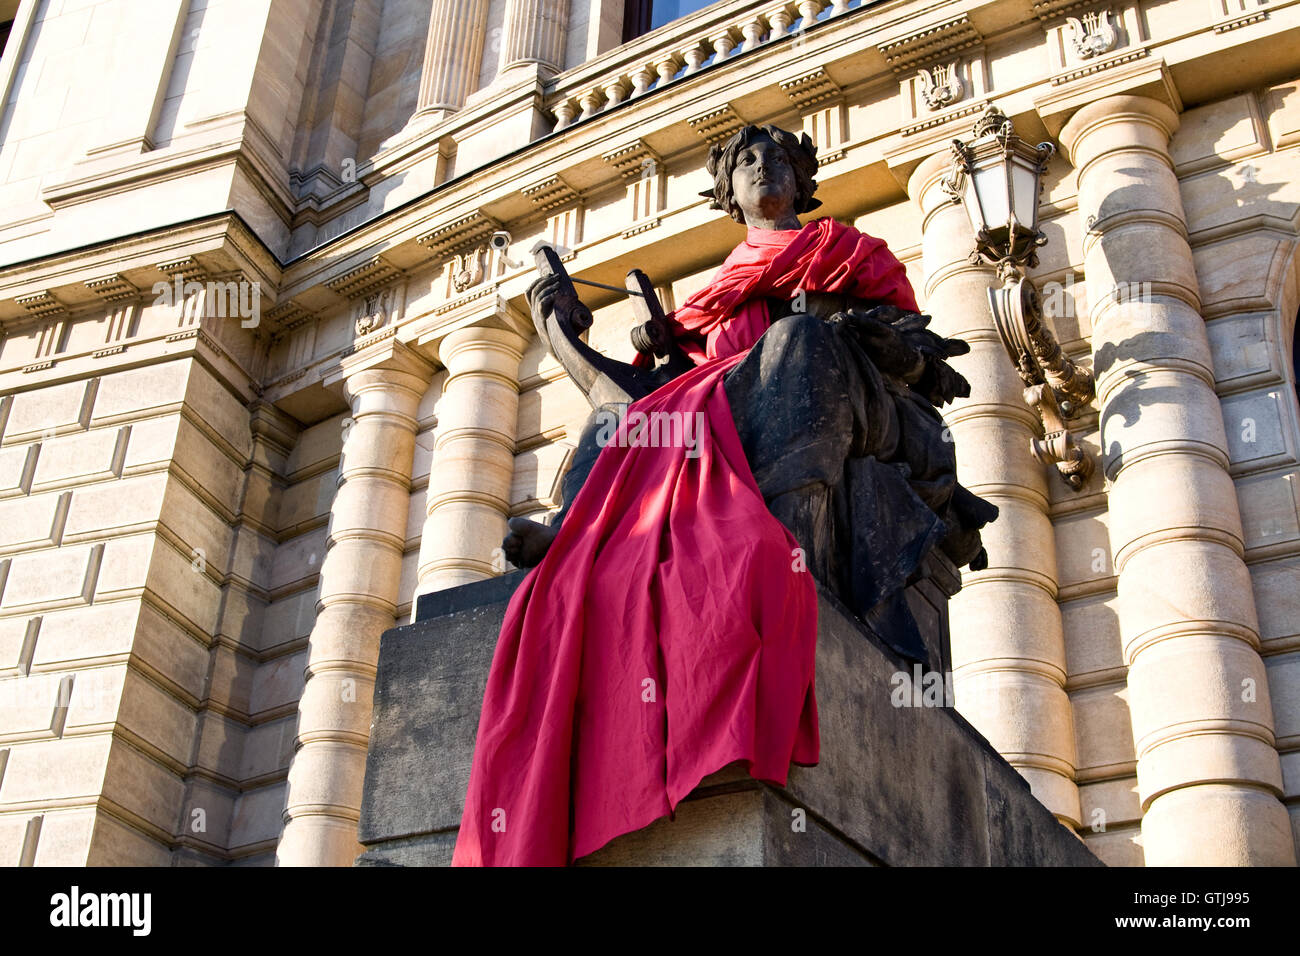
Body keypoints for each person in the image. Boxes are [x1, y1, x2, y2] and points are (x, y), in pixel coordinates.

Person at [452, 124, 995, 867]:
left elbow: (923, 361)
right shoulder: (708, 300)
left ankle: (786, 544)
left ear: (803, 183)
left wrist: (849, 327)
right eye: (745, 163)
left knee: (792, 345)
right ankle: (584, 530)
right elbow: (635, 383)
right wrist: (563, 331)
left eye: (776, 159)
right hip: (729, 401)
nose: (762, 168)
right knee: (630, 412)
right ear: (728, 194)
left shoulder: (850, 251)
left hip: (854, 398)